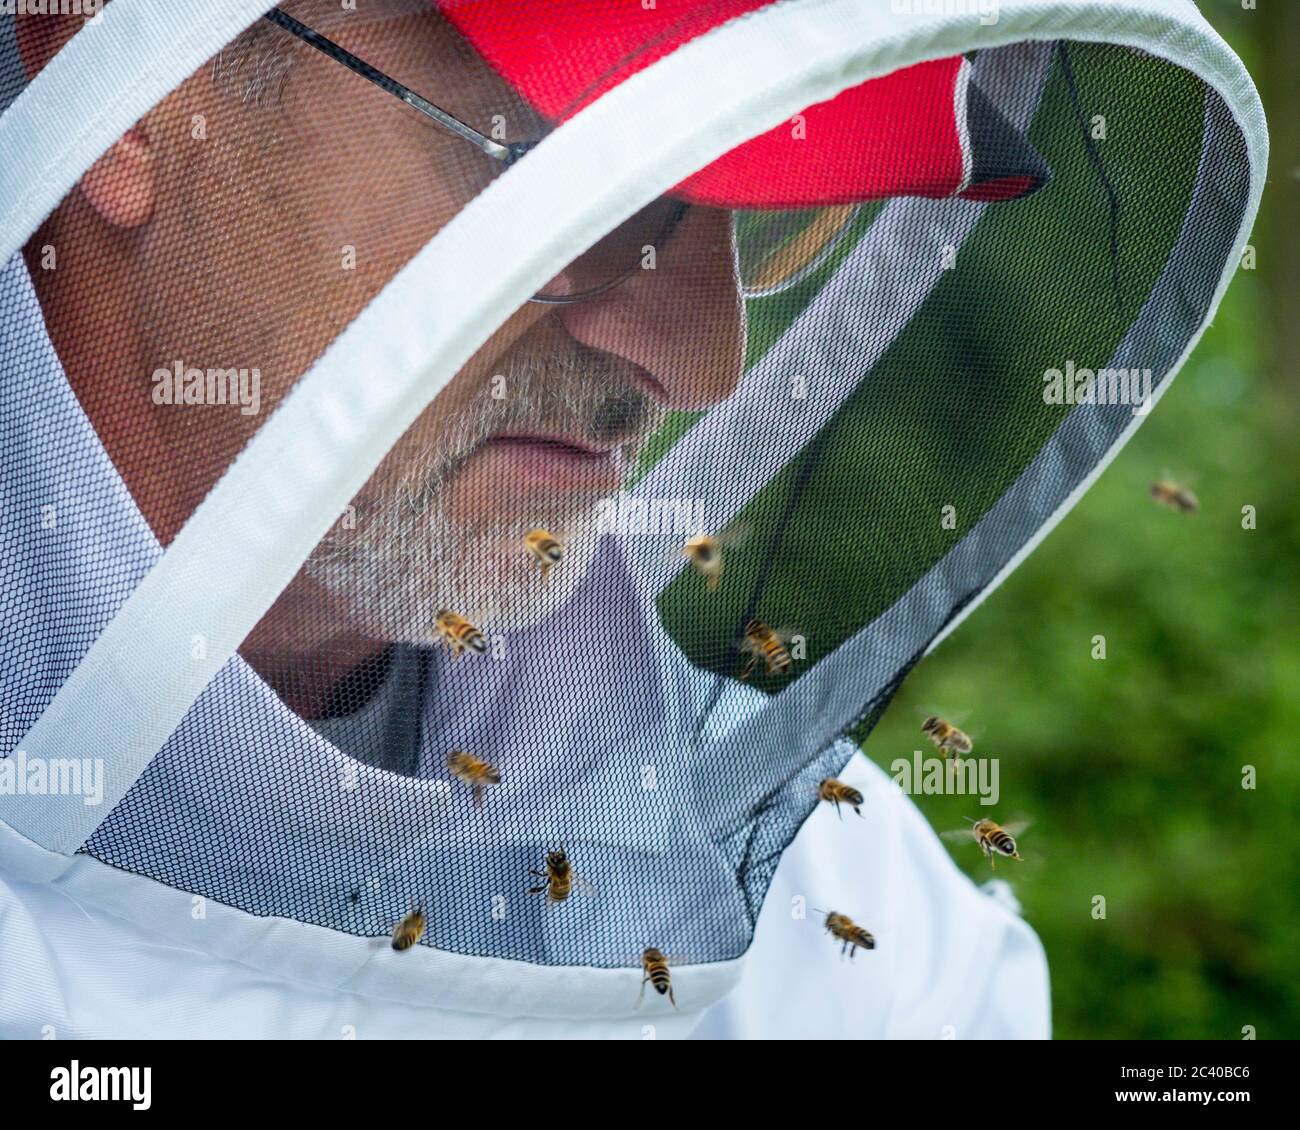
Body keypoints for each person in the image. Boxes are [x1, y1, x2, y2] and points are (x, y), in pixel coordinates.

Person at [0, 0, 1049, 1038]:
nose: (697, 364)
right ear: (128, 86)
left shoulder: (844, 926)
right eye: (562, 173)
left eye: (774, 214)